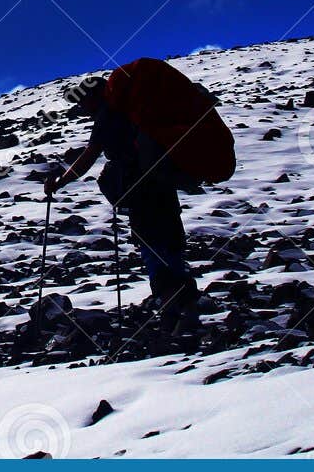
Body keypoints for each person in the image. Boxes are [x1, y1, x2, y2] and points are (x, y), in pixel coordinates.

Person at [43, 75, 200, 317]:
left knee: (153, 249)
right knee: (171, 246)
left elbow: (89, 156)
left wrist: (61, 182)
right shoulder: (135, 114)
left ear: (95, 97)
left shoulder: (108, 117)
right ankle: (188, 312)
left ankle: (172, 314)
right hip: (164, 187)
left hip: (140, 194)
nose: (81, 107)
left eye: (83, 101)